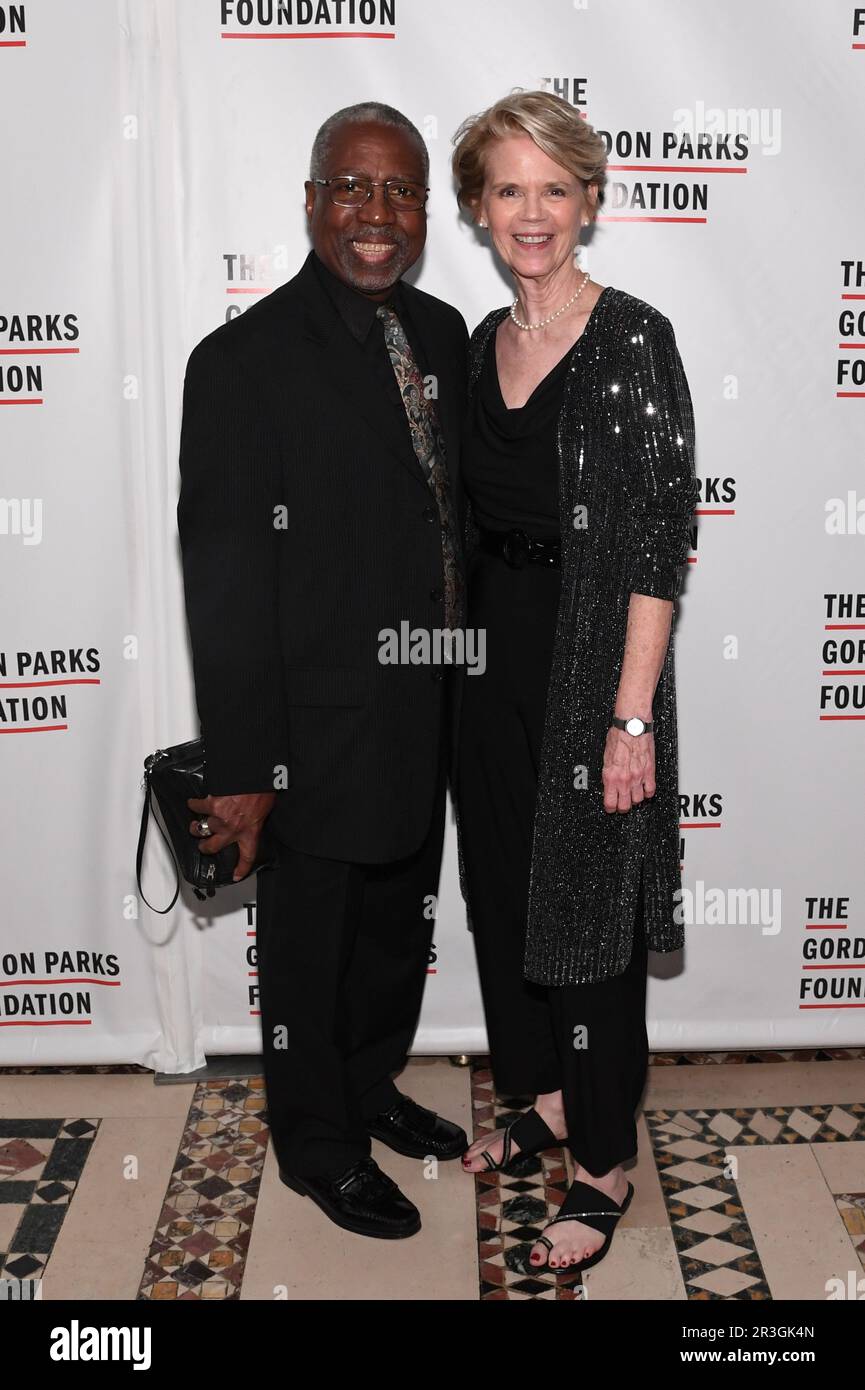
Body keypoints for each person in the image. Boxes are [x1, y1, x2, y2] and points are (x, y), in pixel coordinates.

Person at [176, 101, 470, 1241]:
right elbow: (226, 583)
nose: (377, 213)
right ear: (311, 202)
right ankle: (317, 1142)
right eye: (353, 187)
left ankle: (367, 1085)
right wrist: (247, 767)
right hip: (306, 734)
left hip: (426, 699)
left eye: (399, 191)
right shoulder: (241, 363)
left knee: (397, 932)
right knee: (311, 948)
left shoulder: (444, 334)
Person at [451, 90, 698, 1273]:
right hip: (483, 659)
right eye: (509, 189)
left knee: (588, 917)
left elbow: (657, 542)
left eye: (554, 188)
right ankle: (542, 1095)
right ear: (479, 208)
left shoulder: (632, 338)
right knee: (504, 896)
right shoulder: (474, 344)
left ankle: (602, 1162)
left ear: (590, 201)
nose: (532, 212)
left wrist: (631, 714)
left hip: (594, 664)